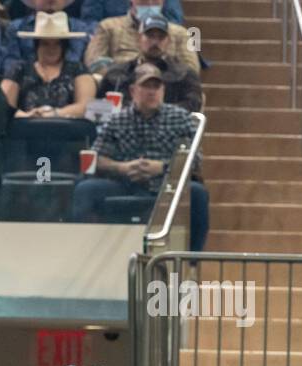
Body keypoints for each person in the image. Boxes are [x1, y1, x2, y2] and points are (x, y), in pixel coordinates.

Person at [70, 63, 209, 251]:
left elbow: (195, 160)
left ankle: (192, 260)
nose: (152, 92)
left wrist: (162, 167)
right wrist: (122, 167)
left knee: (197, 193)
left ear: (163, 90)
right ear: (133, 90)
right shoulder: (117, 119)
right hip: (126, 183)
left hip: (167, 185)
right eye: (146, 86)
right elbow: (97, 158)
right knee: (86, 189)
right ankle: (82, 251)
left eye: (156, 87)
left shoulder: (181, 118)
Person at [97, 13, 202, 112]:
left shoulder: (184, 74)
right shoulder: (117, 72)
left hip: (169, 127)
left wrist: (159, 112)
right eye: (150, 36)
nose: (155, 42)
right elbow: (100, 103)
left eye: (161, 37)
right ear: (139, 39)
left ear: (168, 41)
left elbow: (193, 104)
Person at [0, 12, 93, 119]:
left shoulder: (78, 69)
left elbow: (86, 106)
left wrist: (55, 113)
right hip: (24, 130)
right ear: (37, 45)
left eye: (57, 44)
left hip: (68, 131)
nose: (51, 49)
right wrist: (27, 115)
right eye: (45, 44)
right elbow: (3, 107)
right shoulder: (18, 69)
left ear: (64, 46)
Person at [84, 0, 200, 74]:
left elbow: (192, 69)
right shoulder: (108, 27)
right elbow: (94, 62)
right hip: (119, 84)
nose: (149, 3)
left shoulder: (181, 33)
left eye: (155, 1)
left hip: (165, 86)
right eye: (143, 0)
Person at [0, 3, 90, 74]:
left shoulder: (79, 27)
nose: (51, 1)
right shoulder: (16, 27)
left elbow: (76, 60)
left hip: (71, 81)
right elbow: (10, 64)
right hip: (23, 83)